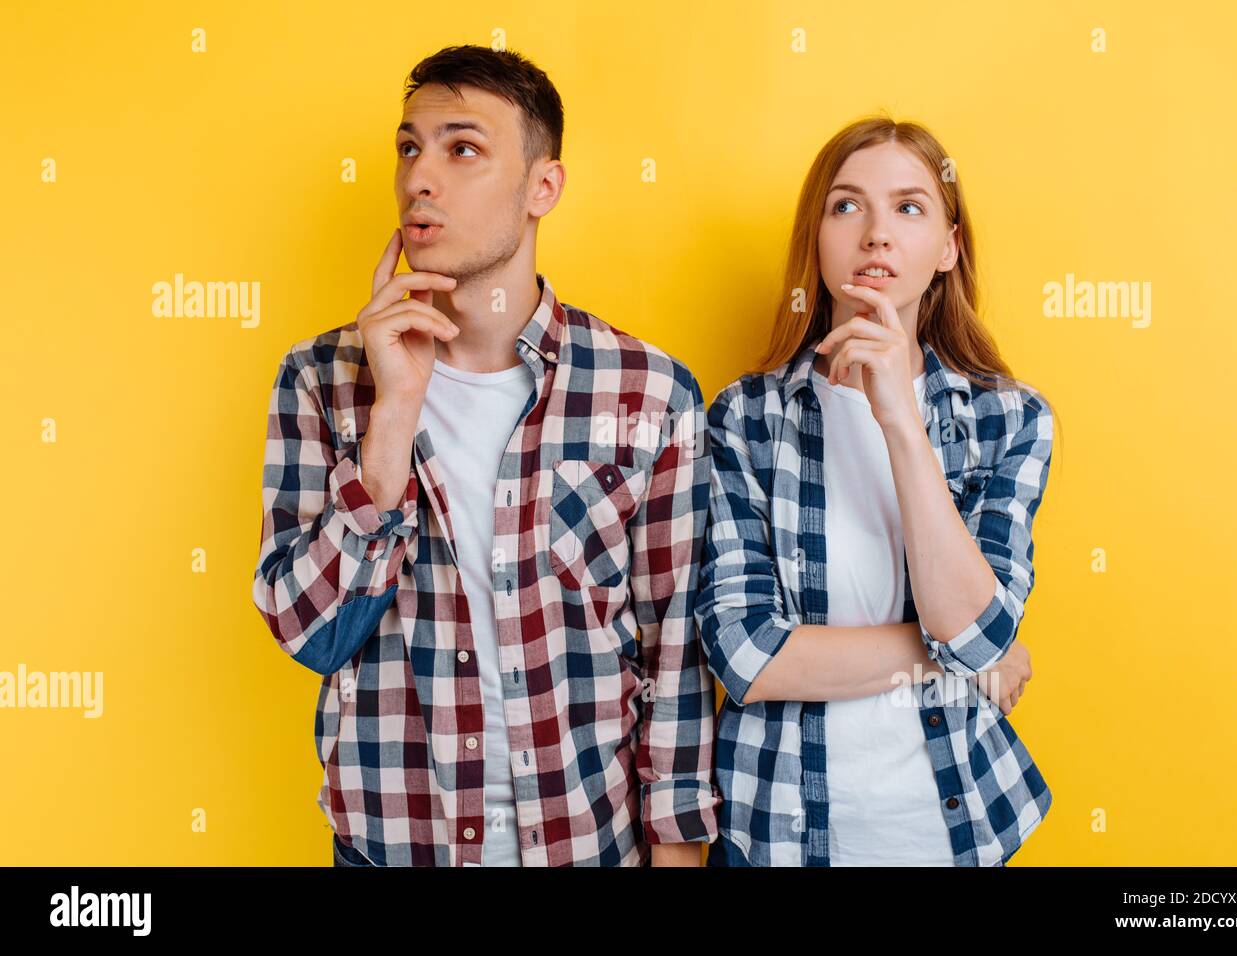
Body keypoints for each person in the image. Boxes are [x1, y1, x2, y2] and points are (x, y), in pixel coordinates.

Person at [252, 44, 718, 867]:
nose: (417, 178)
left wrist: (678, 853)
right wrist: (393, 412)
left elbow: (673, 656)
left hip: (588, 846)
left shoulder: (649, 394)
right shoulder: (322, 380)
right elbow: (311, 635)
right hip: (393, 848)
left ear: (544, 187)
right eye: (409, 148)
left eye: (461, 148)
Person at [696, 116, 1055, 867]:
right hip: (777, 831)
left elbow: (974, 628)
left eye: (910, 207)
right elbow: (748, 655)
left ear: (949, 248)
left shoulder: (1009, 418)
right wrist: (961, 655)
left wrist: (898, 417)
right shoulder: (746, 417)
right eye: (847, 205)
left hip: (956, 829)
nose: (877, 235)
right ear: (816, 237)